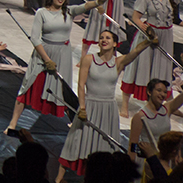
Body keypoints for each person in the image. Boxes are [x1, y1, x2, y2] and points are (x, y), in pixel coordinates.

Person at [5, 0, 107, 135]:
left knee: (64, 90)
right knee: (27, 87)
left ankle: (75, 123)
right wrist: (46, 60)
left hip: (63, 54)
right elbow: (35, 38)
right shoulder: (41, 13)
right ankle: (12, 125)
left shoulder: (69, 11)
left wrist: (99, 1)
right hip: (43, 54)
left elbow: (86, 6)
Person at [56, 29, 155, 181]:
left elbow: (135, 51)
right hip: (89, 106)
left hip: (108, 109)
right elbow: (81, 85)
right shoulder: (89, 59)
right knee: (76, 142)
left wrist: (148, 40)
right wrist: (82, 108)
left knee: (105, 146)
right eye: (101, 37)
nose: (104, 39)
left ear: (115, 43)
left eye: (108, 38)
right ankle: (58, 179)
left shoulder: (118, 62)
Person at [121, 0, 182, 104]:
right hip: (149, 37)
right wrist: (147, 30)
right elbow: (136, 18)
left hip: (166, 36)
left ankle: (167, 103)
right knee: (139, 68)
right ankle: (125, 103)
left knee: (163, 69)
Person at [129, 79, 183, 156]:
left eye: (165, 92)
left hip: (164, 156)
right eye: (159, 90)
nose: (162, 94)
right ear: (149, 92)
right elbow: (132, 145)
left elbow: (180, 99)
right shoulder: (140, 116)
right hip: (147, 159)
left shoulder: (167, 109)